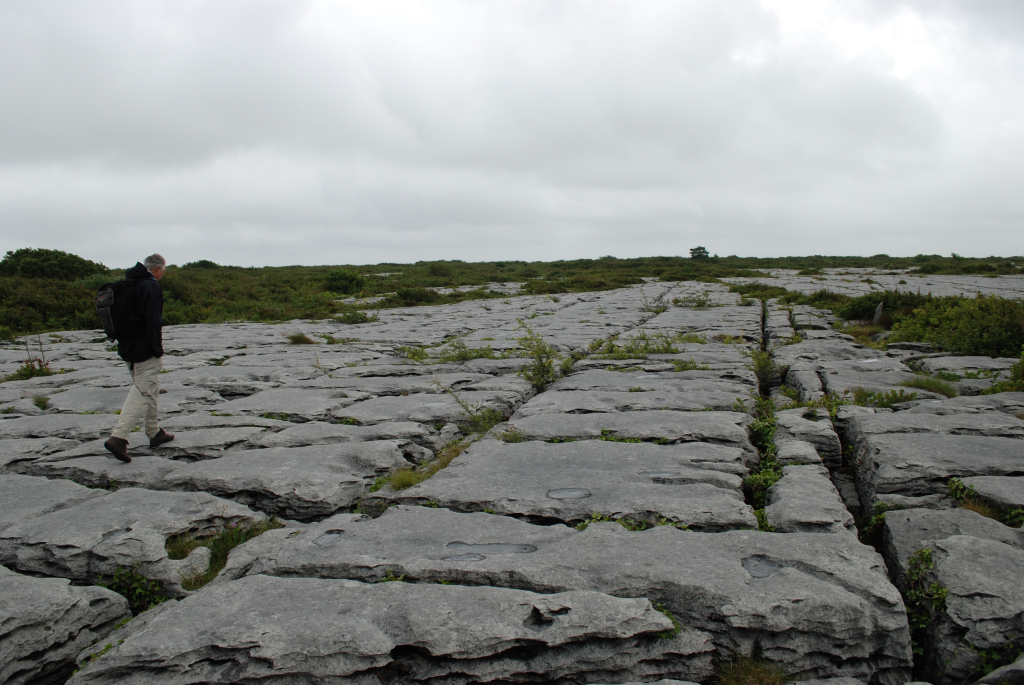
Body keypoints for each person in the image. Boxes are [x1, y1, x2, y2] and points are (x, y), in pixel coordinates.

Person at [104, 254, 174, 462]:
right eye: (163, 271)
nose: (163, 274)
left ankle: (154, 432)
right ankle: (119, 437)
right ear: (158, 269)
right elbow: (153, 320)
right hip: (145, 348)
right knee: (144, 390)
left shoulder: (127, 284)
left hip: (127, 346)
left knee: (150, 387)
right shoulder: (150, 286)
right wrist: (156, 349)